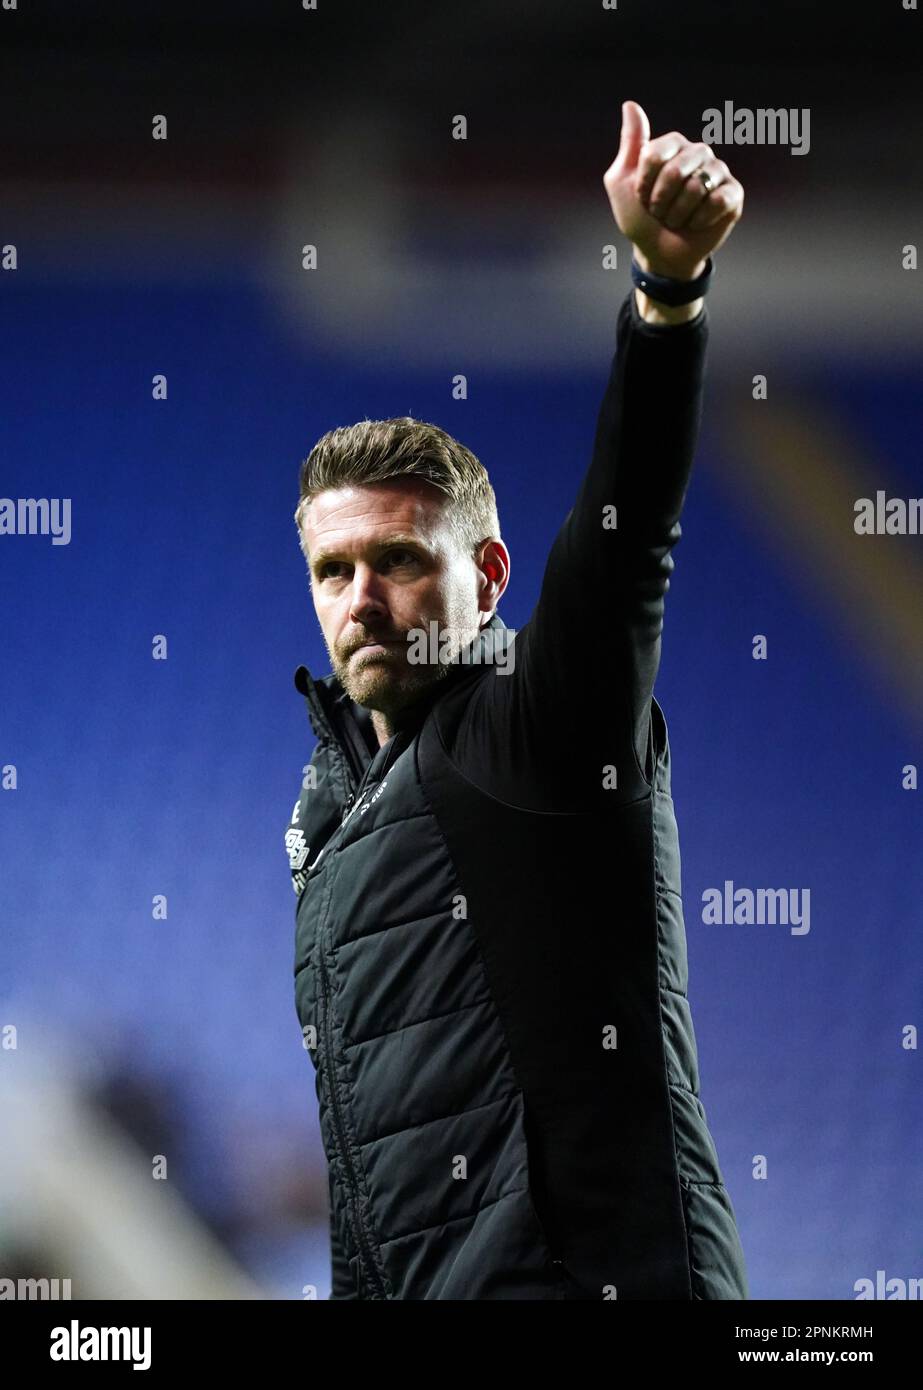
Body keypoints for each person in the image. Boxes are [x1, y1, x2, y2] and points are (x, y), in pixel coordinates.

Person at [285, 100, 747, 1299]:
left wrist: (665, 293)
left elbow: (627, 528)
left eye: (397, 559)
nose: (362, 598)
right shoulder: (330, 822)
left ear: (483, 576)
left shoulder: (534, 723)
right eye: (334, 570)